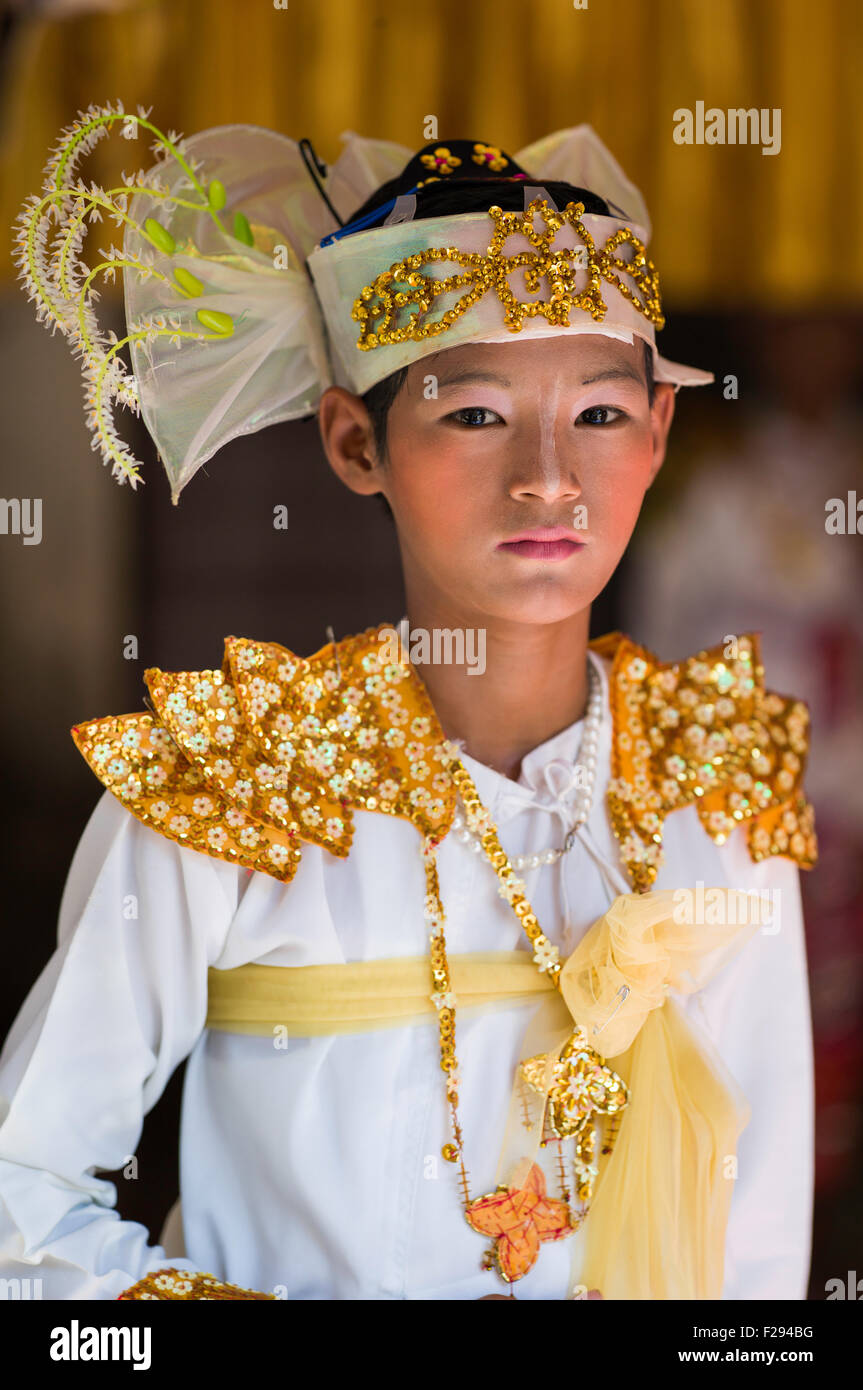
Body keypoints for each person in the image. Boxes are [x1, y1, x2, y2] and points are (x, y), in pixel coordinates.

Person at [1, 103, 817, 1300]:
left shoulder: (716, 780)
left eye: (597, 412)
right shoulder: (236, 789)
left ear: (658, 430)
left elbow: (754, 1259)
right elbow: (21, 1206)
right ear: (353, 444)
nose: (547, 475)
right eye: (473, 413)